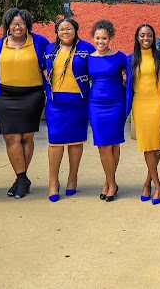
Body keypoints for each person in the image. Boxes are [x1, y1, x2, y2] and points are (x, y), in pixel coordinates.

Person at [0, 8, 49, 199]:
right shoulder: (0, 44)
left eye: (21, 23)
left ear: (27, 25)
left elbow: (52, 62)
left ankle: (21, 180)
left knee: (26, 137)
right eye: (14, 23)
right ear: (8, 25)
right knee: (11, 138)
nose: (18, 27)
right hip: (5, 96)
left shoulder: (39, 42)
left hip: (32, 96)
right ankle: (22, 178)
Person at [43, 17, 95, 202]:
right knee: (55, 142)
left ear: (76, 30)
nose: (65, 32)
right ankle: (53, 182)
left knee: (76, 142)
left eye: (69, 29)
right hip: (56, 103)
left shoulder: (87, 48)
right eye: (62, 29)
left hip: (78, 101)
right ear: (57, 32)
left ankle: (72, 178)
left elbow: (96, 70)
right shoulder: (49, 49)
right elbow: (41, 70)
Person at [126, 24, 160, 205]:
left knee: (155, 145)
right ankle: (156, 183)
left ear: (154, 37)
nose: (145, 38)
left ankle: (150, 183)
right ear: (136, 37)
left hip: (158, 103)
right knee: (147, 145)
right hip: (140, 104)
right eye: (142, 35)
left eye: (149, 35)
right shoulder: (131, 59)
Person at [88, 20, 127, 202]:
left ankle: (109, 183)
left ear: (110, 37)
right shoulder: (89, 57)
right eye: (97, 38)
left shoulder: (119, 57)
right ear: (93, 38)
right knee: (103, 145)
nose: (100, 41)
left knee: (114, 144)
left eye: (104, 38)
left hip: (116, 103)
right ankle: (111, 182)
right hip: (96, 105)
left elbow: (133, 78)